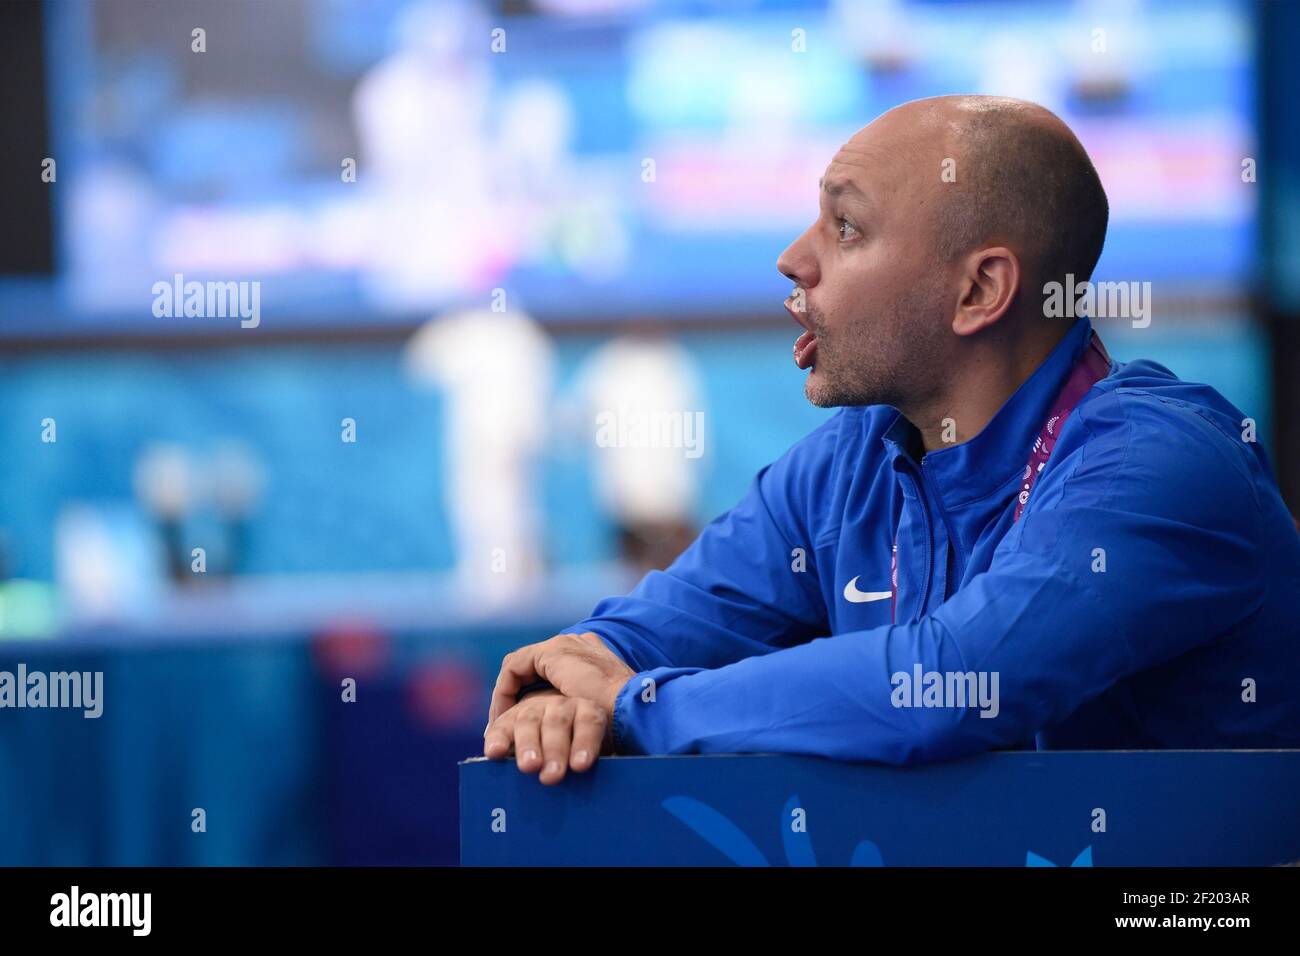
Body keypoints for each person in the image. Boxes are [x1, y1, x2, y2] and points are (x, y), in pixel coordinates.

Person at [482, 95, 1300, 785]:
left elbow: (950, 686)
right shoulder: (849, 463)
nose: (792, 258)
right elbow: (644, 634)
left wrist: (634, 708)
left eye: (844, 227)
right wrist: (563, 680)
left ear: (979, 290)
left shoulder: (1158, 466)